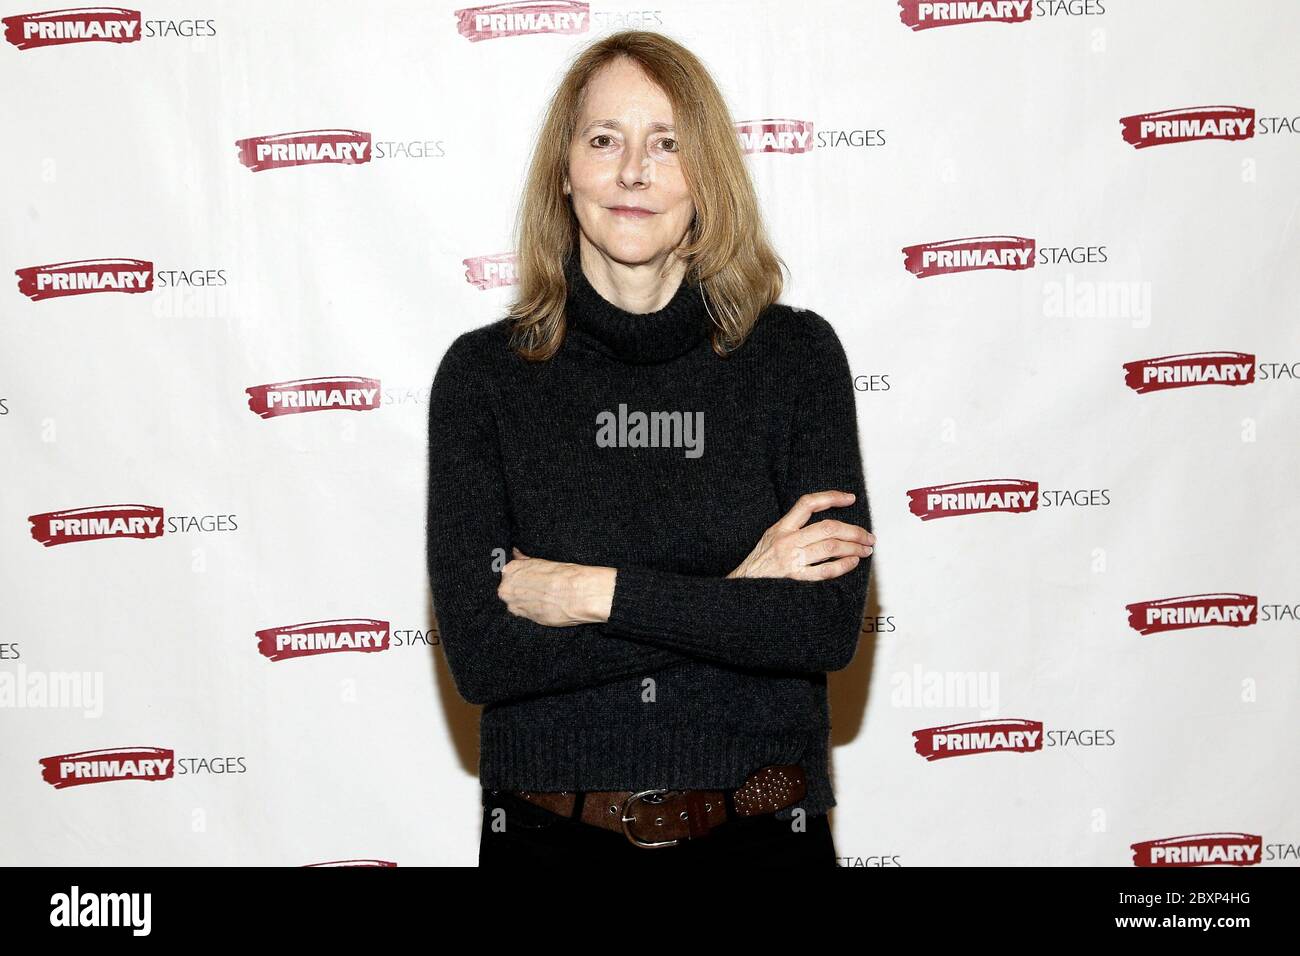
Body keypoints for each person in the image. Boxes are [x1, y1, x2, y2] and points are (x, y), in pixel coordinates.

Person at [426, 30, 876, 867]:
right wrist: (738, 592)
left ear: (707, 177)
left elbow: (819, 627)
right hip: (548, 841)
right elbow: (486, 658)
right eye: (605, 140)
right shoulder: (484, 378)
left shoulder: (796, 359)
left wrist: (591, 592)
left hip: (762, 837)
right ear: (565, 172)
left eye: (667, 144)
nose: (634, 170)